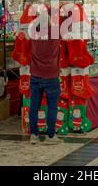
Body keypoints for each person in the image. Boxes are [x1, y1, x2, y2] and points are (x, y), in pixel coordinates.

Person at [29, 9, 63, 145]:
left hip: (35, 75)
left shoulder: (34, 34)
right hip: (51, 75)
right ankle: (50, 136)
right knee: (52, 106)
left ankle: (34, 135)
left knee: (34, 106)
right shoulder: (55, 34)